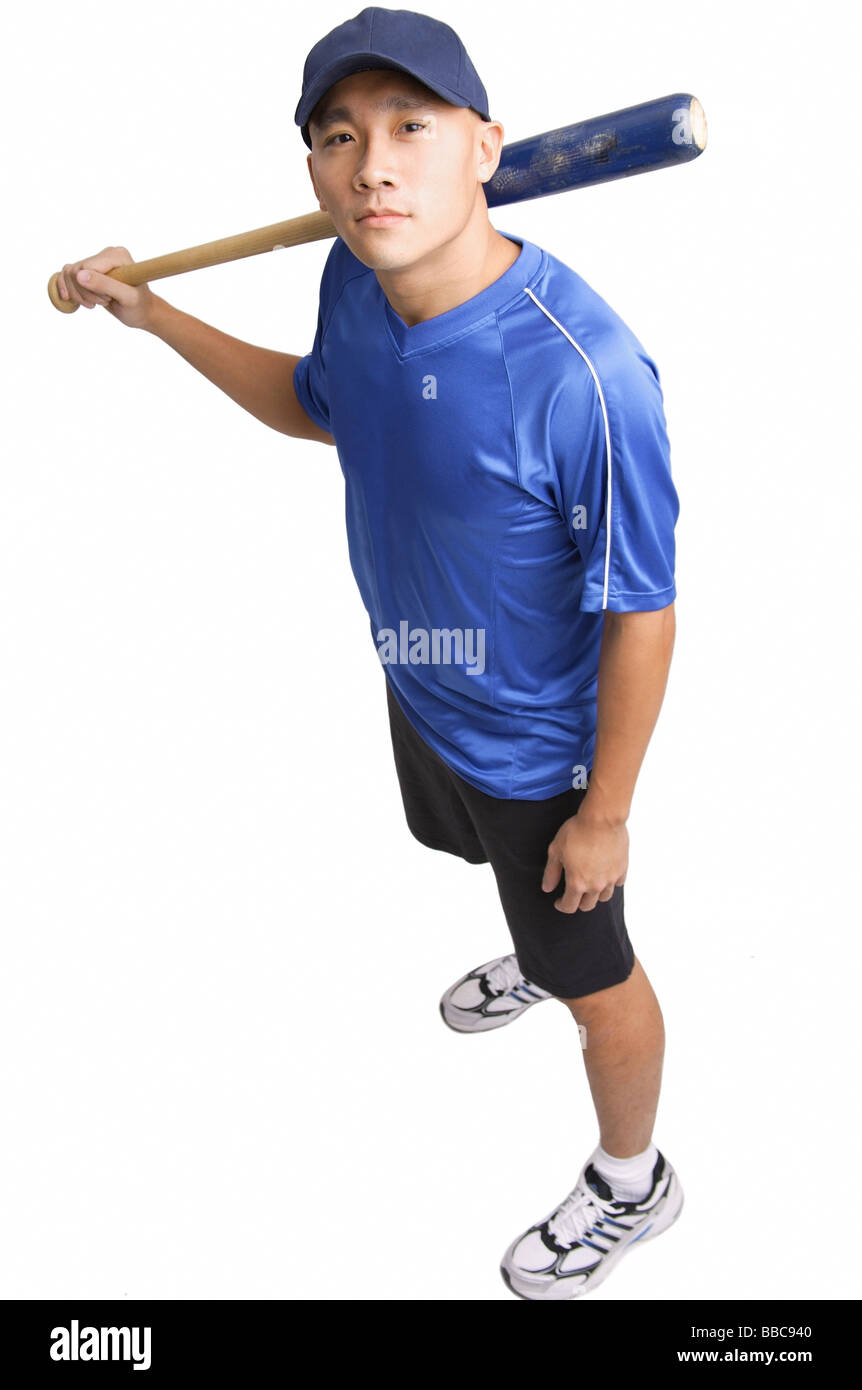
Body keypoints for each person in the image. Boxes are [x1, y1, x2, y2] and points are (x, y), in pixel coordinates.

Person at [56, 6, 684, 1302]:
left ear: (486, 148)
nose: (373, 165)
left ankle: (634, 1176)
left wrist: (604, 813)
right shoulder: (352, 275)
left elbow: (642, 610)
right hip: (420, 670)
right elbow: (319, 407)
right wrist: (155, 315)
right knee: (481, 864)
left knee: (596, 975)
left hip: (541, 746)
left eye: (412, 127)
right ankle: (530, 924)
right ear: (310, 171)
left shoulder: (583, 373)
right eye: (339, 137)